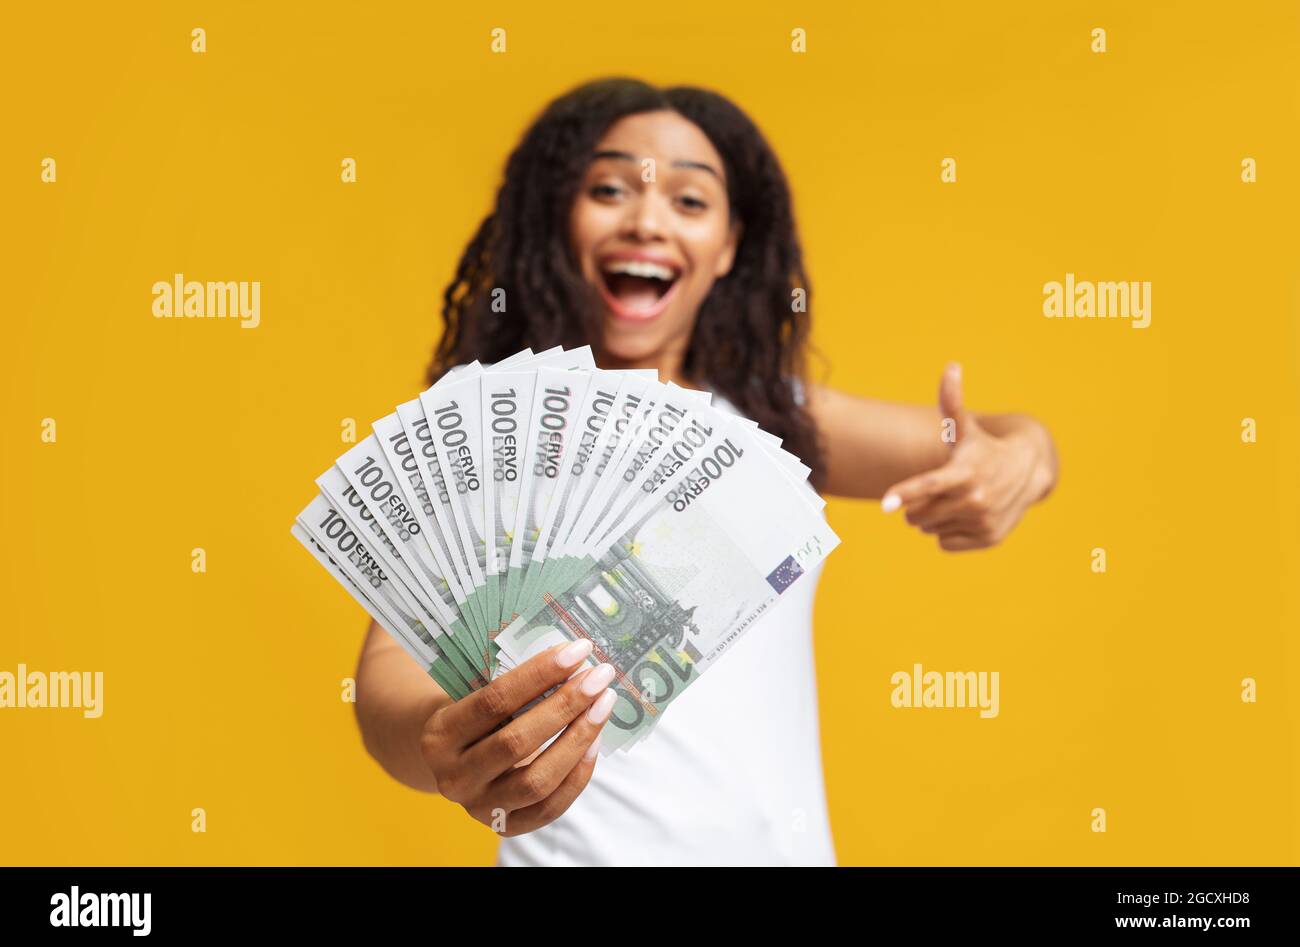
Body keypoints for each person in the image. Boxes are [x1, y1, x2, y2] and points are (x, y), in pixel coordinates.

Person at [353, 77, 1059, 865]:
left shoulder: (773, 426)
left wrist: (1018, 459)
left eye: (689, 201)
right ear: (558, 220)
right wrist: (440, 743)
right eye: (609, 188)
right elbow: (387, 671)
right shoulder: (492, 436)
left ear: (728, 247)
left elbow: (996, 437)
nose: (648, 219)